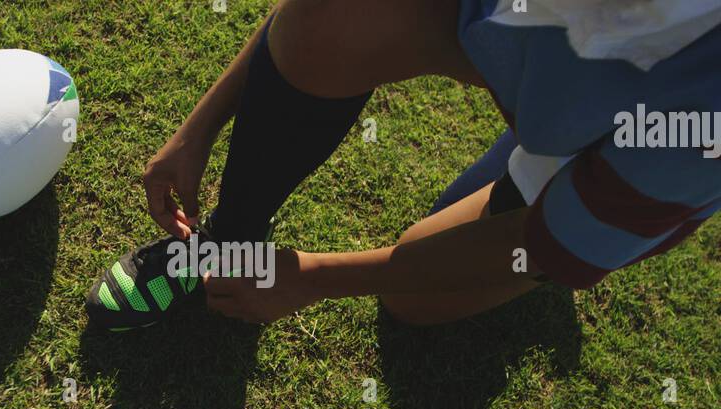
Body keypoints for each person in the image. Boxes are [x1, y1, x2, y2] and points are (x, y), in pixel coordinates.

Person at [85, 0, 721, 330]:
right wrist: (200, 127)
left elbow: (538, 242)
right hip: (549, 83)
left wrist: (310, 277)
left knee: (409, 303)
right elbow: (328, 16)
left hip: (612, 150)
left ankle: (562, 178)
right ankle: (229, 241)